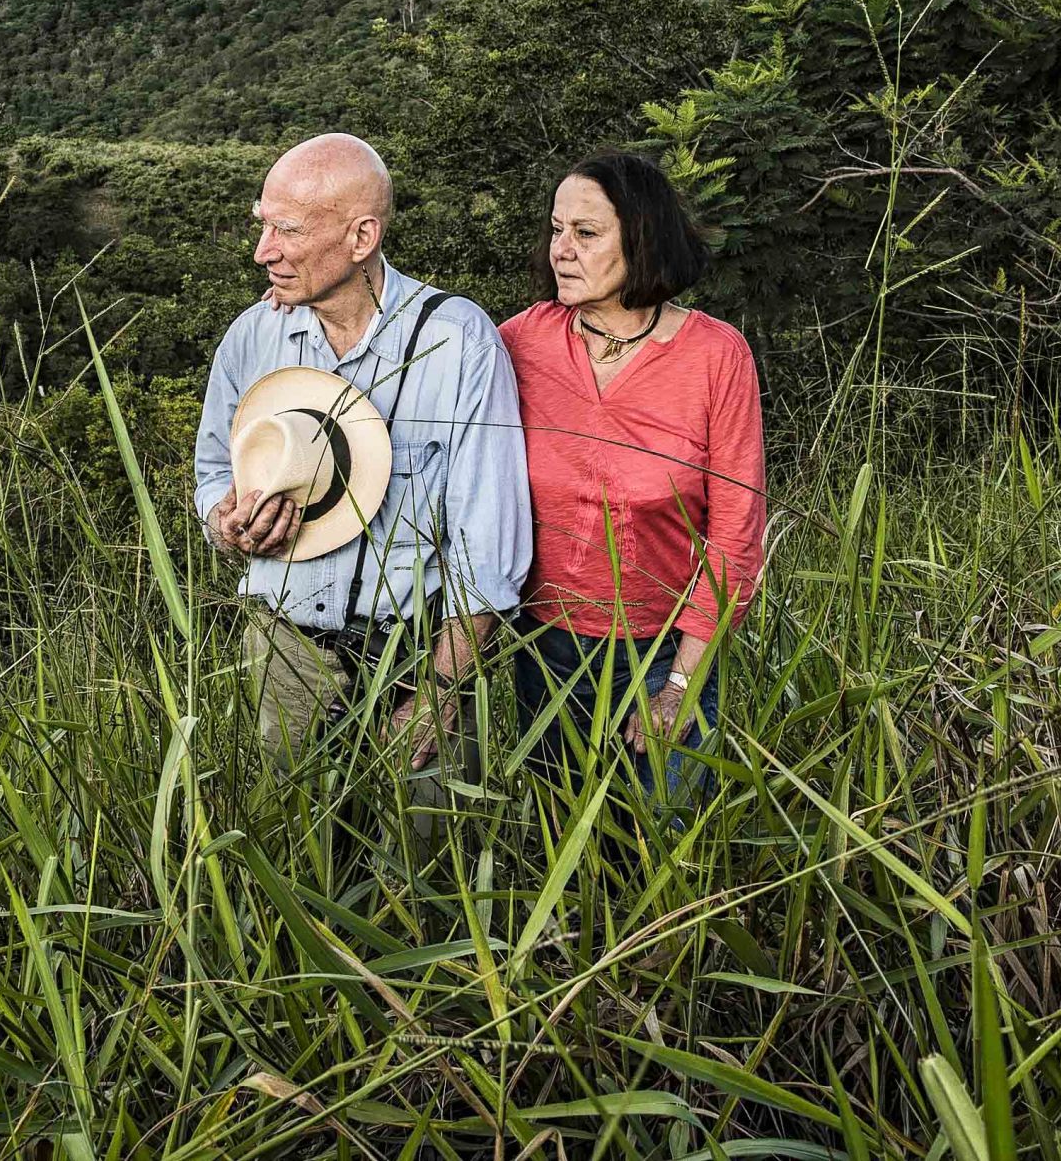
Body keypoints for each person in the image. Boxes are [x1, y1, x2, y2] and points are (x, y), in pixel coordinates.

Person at [194, 132, 531, 792]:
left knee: (431, 858)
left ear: (361, 236)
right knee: (305, 854)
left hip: (423, 652)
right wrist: (224, 521)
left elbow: (488, 543)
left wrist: (440, 686)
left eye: (286, 231)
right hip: (286, 647)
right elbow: (212, 469)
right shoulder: (253, 336)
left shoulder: (455, 340)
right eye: (263, 226)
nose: (263, 252)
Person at [500, 151, 766, 800]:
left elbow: (736, 534)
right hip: (546, 646)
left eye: (586, 234)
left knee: (658, 841)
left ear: (642, 238)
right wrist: (310, 299)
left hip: (665, 649)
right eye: (556, 229)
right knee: (563, 841)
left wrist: (680, 683)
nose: (562, 249)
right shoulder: (518, 342)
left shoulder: (715, 355)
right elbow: (417, 362)